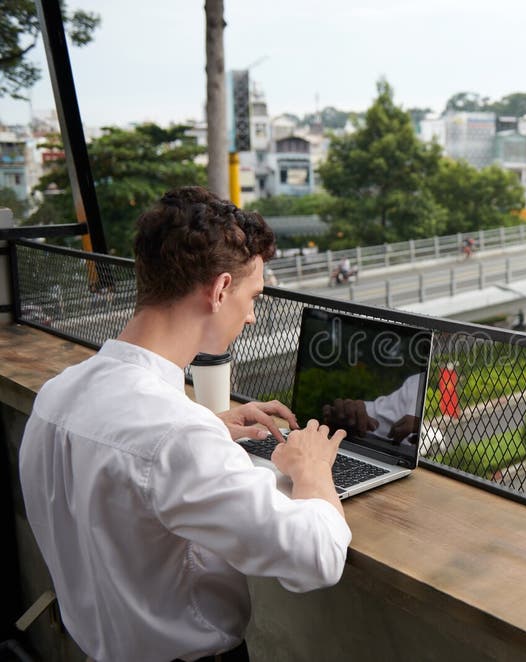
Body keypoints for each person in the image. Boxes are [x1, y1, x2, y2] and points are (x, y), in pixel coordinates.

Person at [19, 187, 352, 662]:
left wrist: (208, 424)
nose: (254, 315)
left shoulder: (59, 395)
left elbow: (135, 461)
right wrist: (314, 469)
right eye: (253, 296)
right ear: (219, 290)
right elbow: (318, 557)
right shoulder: (176, 436)